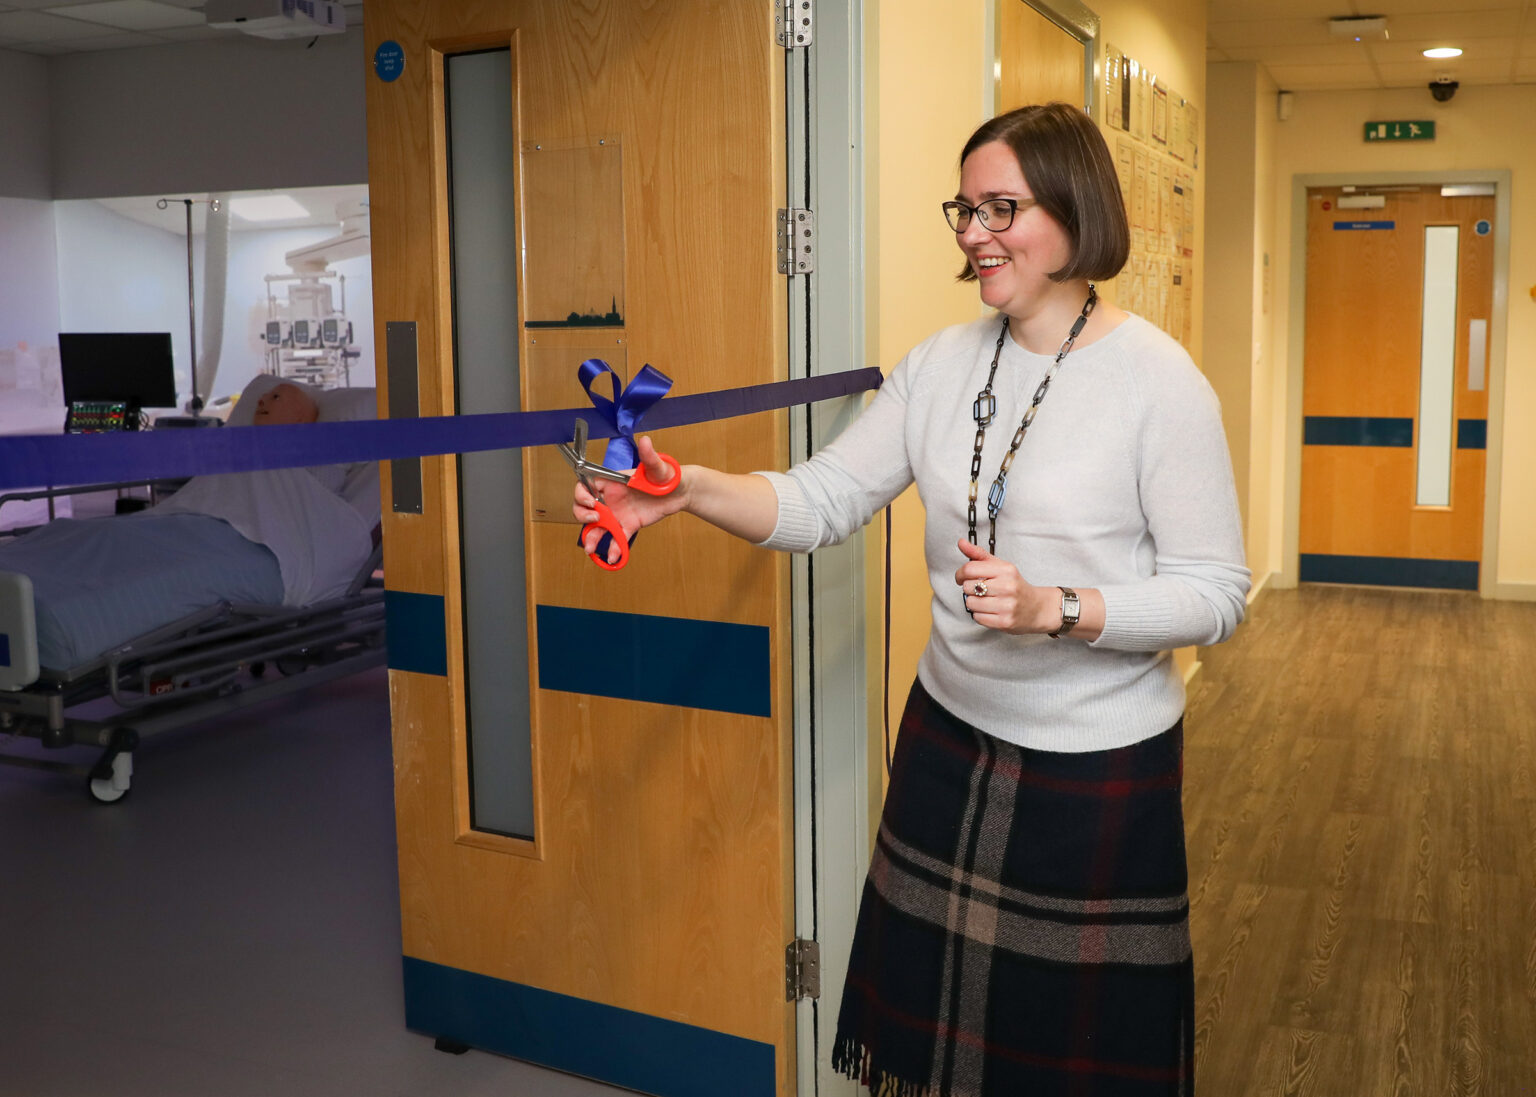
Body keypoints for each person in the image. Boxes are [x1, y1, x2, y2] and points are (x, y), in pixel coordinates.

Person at [574, 102, 1249, 1095]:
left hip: (1096, 769)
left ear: (1075, 209)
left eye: (1000, 207)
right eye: (964, 208)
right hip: (948, 742)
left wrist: (1061, 607)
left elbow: (1216, 594)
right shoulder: (939, 365)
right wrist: (683, 492)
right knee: (942, 1054)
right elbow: (823, 499)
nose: (973, 233)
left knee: (1069, 1062)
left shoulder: (1161, 383)